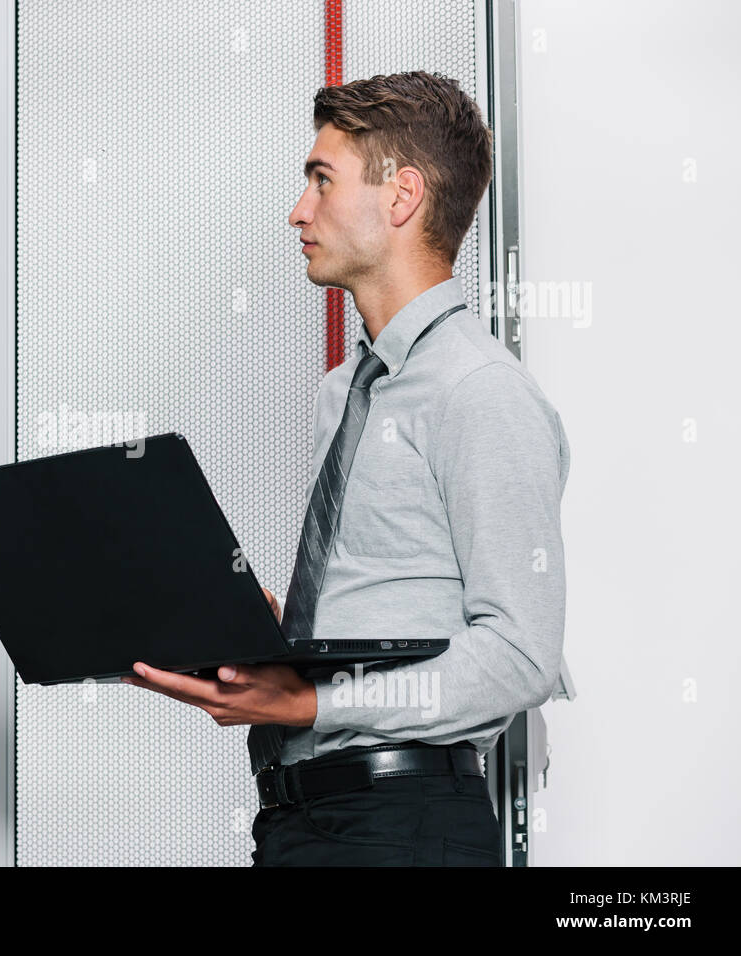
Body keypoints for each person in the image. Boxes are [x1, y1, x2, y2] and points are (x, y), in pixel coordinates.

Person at [120, 70, 570, 866]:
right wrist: (271, 633)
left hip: (404, 826)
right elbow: (390, 592)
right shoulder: (345, 391)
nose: (299, 210)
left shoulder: (480, 390)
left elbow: (520, 654)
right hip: (301, 821)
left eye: (321, 181)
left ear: (402, 197)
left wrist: (311, 699)